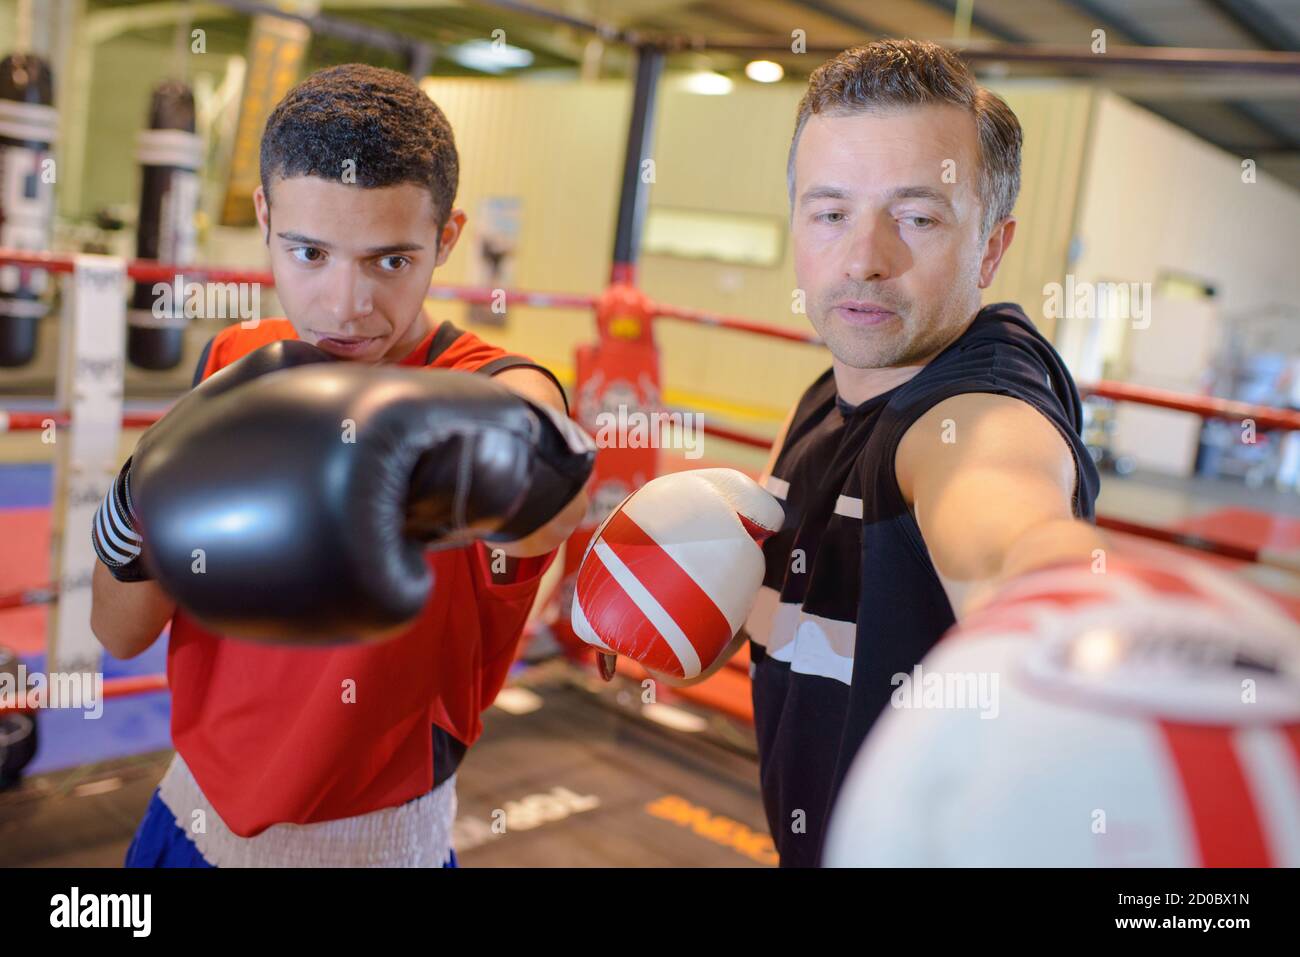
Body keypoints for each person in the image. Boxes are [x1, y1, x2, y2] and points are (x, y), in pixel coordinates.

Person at [574, 38, 1109, 867]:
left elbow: (1011, 532)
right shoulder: (829, 397)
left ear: (992, 248)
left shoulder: (970, 418)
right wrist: (667, 616)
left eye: (917, 217)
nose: (864, 259)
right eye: (831, 212)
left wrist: (1087, 630)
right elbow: (766, 622)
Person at [89, 64, 590, 867]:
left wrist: (433, 460)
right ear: (264, 216)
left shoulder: (486, 383)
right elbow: (119, 633)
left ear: (447, 239)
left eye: (389, 260)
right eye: (310, 251)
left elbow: (543, 471)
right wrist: (134, 497)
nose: (345, 303)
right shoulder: (233, 359)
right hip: (183, 823)